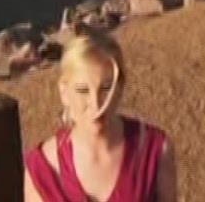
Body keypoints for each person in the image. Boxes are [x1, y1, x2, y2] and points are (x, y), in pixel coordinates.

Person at [24, 32, 179, 202]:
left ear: (120, 87)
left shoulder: (154, 150)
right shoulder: (42, 169)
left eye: (106, 88)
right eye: (83, 90)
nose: (96, 104)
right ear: (64, 92)